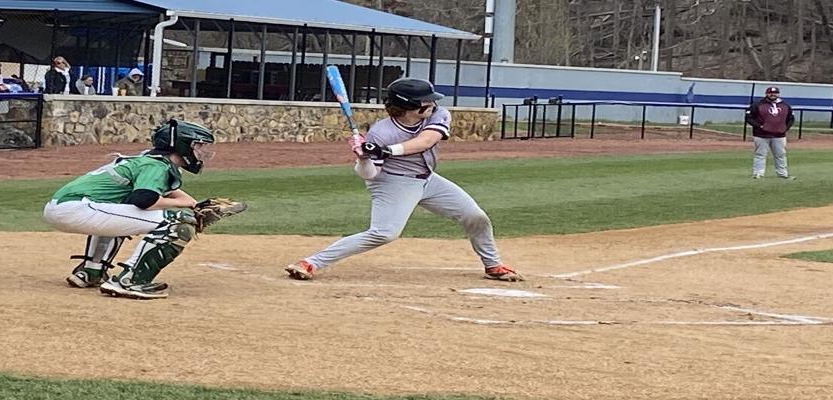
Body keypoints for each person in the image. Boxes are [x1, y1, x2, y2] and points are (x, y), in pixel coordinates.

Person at [284, 78, 521, 283]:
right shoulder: (382, 132)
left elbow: (426, 141)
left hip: (428, 179)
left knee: (475, 216)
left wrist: (385, 151)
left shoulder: (437, 114)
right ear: (410, 106)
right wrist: (364, 157)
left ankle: (493, 265)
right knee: (384, 233)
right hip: (393, 183)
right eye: (426, 101)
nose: (433, 103)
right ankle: (310, 263)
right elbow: (369, 175)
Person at [42, 119, 245, 300]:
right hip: (79, 208)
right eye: (198, 146)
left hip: (66, 207)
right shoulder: (157, 166)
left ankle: (91, 271)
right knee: (178, 222)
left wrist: (194, 205)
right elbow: (143, 200)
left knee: (121, 215)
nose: (202, 152)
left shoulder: (151, 161)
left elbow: (169, 193)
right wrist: (186, 210)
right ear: (182, 145)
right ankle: (129, 281)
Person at [745, 85, 795, 180]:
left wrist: (785, 128)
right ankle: (758, 174)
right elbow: (749, 117)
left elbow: (791, 118)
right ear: (766, 94)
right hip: (761, 135)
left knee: (780, 155)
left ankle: (782, 173)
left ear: (778, 94)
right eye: (770, 93)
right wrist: (759, 126)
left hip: (779, 135)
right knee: (760, 154)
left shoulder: (785, 105)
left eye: (775, 93)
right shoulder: (758, 104)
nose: (773, 94)